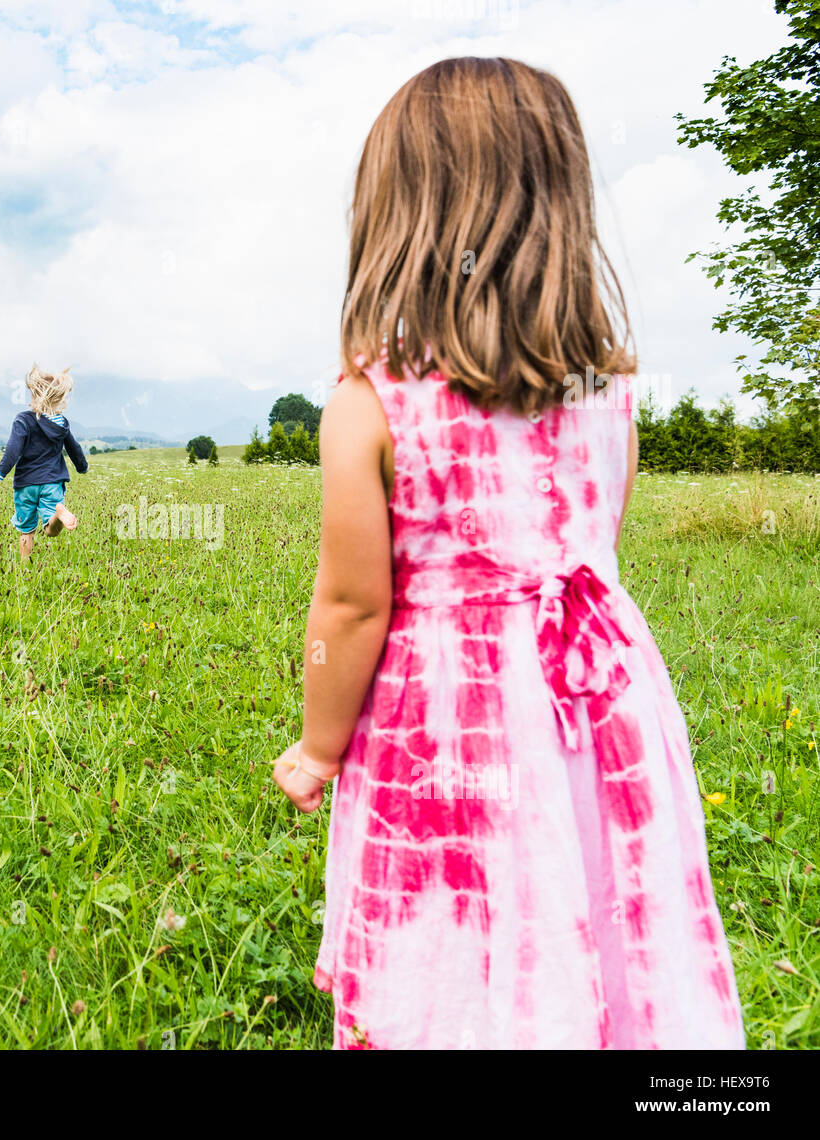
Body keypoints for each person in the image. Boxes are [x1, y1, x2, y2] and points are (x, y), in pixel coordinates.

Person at [272, 57, 744, 1050]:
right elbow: (589, 551)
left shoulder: (371, 404)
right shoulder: (606, 397)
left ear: (399, 221)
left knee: (457, 934)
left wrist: (319, 747)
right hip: (599, 708)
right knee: (603, 891)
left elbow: (352, 607)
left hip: (446, 726)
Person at [0, 364, 88, 561]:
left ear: (35, 394)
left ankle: (24, 569)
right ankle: (58, 515)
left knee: (26, 530)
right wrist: (82, 467)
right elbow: (74, 448)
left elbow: (13, 451)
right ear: (59, 398)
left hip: (26, 484)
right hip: (52, 483)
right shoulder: (62, 423)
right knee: (50, 530)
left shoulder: (23, 420)